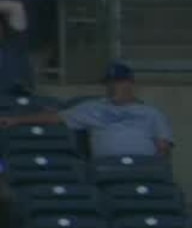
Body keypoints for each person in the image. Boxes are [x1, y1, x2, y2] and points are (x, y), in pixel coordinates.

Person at [0, 62, 172, 158]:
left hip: (143, 168)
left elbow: (163, 148)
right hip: (108, 171)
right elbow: (56, 117)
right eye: (109, 83)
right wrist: (16, 120)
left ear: (130, 83)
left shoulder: (151, 113)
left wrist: (152, 171)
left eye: (117, 82)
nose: (112, 87)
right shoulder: (94, 107)